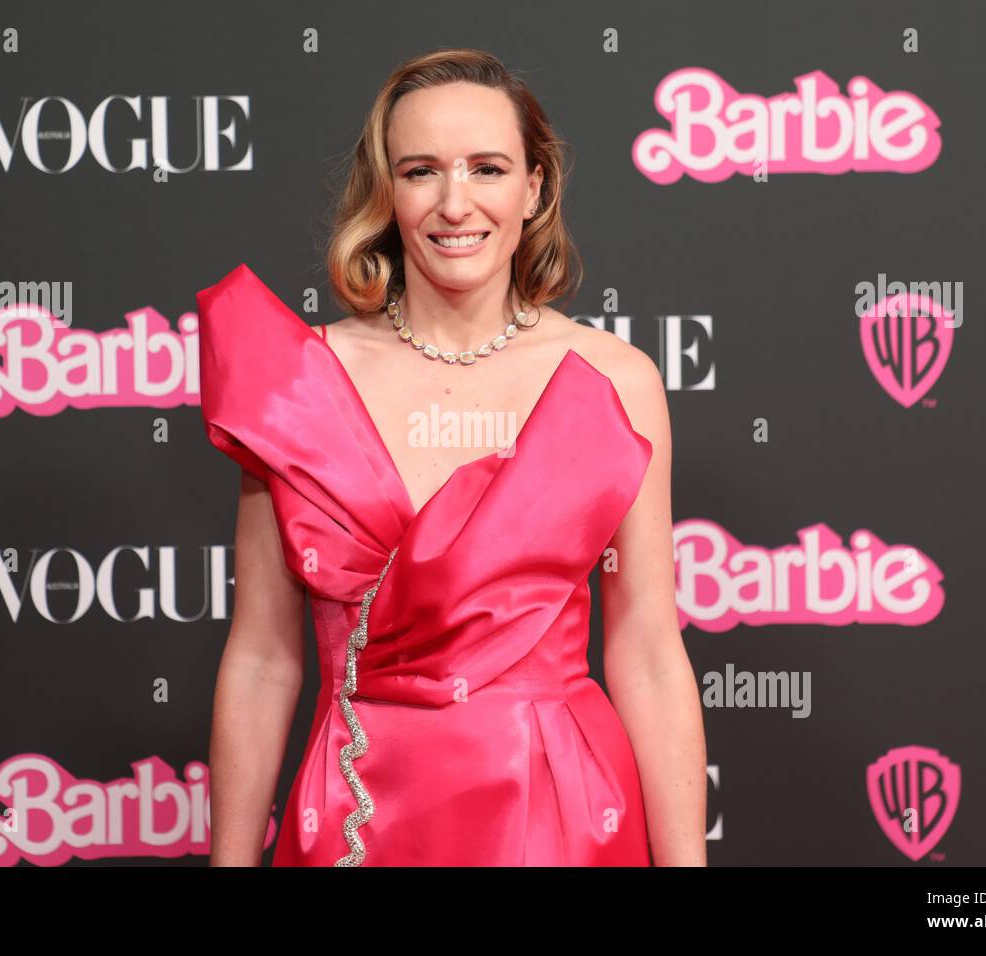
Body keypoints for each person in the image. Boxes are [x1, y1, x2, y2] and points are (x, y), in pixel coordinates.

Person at [196, 48, 707, 866]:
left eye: (488, 167)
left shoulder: (616, 382)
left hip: (557, 820)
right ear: (387, 191)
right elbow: (262, 658)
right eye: (422, 170)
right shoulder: (298, 386)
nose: (454, 201)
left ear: (534, 189)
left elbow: (647, 649)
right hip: (358, 809)